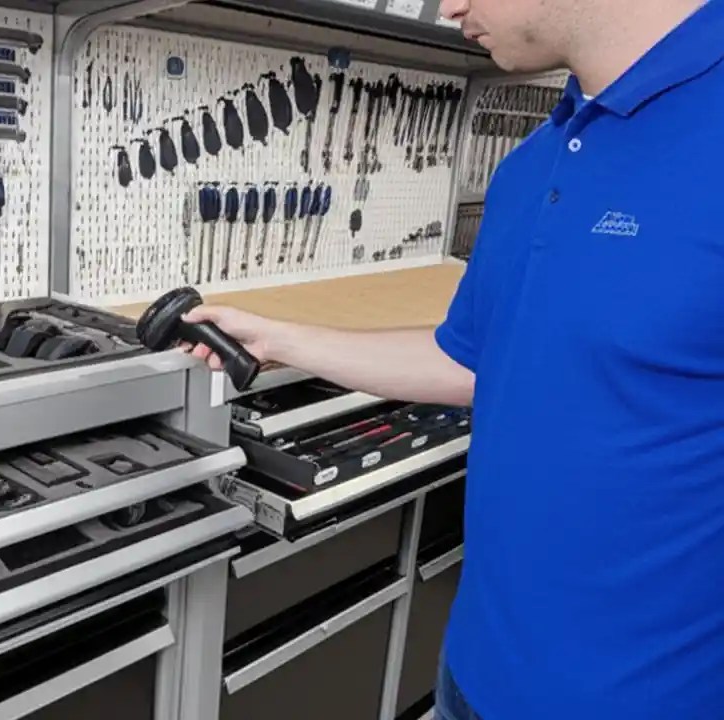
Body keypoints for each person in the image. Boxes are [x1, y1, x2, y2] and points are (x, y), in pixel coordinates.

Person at [179, 0, 724, 717]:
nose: (449, 5)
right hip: (471, 678)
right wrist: (278, 339)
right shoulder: (536, 160)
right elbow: (473, 360)